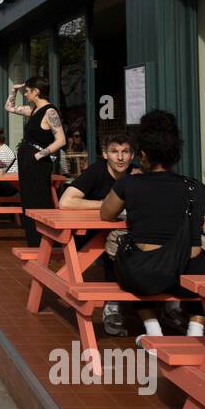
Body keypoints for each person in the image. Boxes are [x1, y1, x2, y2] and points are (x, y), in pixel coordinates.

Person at [100, 110, 205, 345]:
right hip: (186, 278)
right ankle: (195, 331)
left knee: (124, 255)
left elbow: (106, 214)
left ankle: (152, 329)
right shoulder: (196, 187)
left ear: (142, 153)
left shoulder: (130, 183)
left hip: (142, 277)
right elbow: (195, 240)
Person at [59, 132, 135, 335]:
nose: (120, 158)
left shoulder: (136, 174)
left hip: (125, 231)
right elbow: (65, 202)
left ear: (132, 155)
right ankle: (112, 306)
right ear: (104, 154)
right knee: (117, 248)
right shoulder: (96, 172)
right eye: (114, 152)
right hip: (89, 233)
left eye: (125, 152)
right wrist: (104, 205)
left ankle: (167, 307)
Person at [8, 77, 66, 246]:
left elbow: (61, 140)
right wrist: (14, 90)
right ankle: (34, 242)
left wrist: (40, 155)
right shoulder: (33, 110)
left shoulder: (50, 112)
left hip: (37, 162)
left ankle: (46, 242)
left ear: (36, 91)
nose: (25, 94)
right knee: (28, 200)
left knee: (39, 200)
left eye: (27, 91)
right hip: (28, 159)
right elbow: (9, 107)